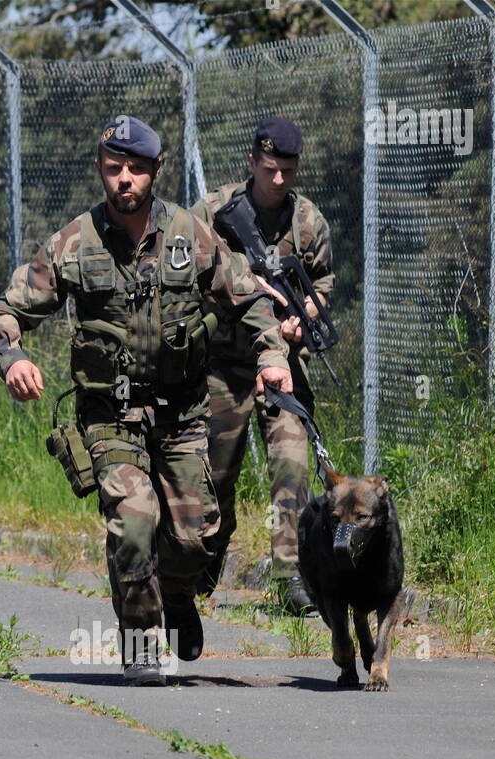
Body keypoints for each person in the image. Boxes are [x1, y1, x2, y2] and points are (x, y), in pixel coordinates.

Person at [0, 114, 292, 685]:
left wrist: (271, 356)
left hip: (182, 412)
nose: (124, 178)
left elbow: (249, 298)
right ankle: (142, 638)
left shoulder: (189, 236)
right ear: (101, 171)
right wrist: (14, 357)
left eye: (135, 168)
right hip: (110, 416)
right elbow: (6, 312)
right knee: (133, 523)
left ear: (155, 170)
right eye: (113, 168)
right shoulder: (76, 242)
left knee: (198, 534)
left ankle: (176, 595)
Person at [190, 116, 335, 614]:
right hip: (222, 367)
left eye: (287, 171)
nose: (278, 180)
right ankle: (207, 557)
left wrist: (300, 318)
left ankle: (292, 578)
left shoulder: (308, 222)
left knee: (292, 466)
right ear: (252, 162)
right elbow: (179, 275)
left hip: (283, 368)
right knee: (215, 475)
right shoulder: (211, 213)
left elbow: (324, 286)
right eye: (269, 169)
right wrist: (241, 290)